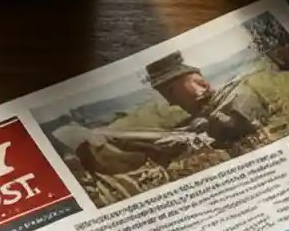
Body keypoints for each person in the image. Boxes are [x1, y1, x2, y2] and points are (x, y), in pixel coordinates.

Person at [75, 51, 268, 175]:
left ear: (201, 83)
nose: (171, 101)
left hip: (197, 140)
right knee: (102, 136)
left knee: (103, 137)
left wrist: (212, 122)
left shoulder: (238, 95)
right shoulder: (209, 109)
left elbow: (243, 126)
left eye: (171, 92)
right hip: (190, 137)